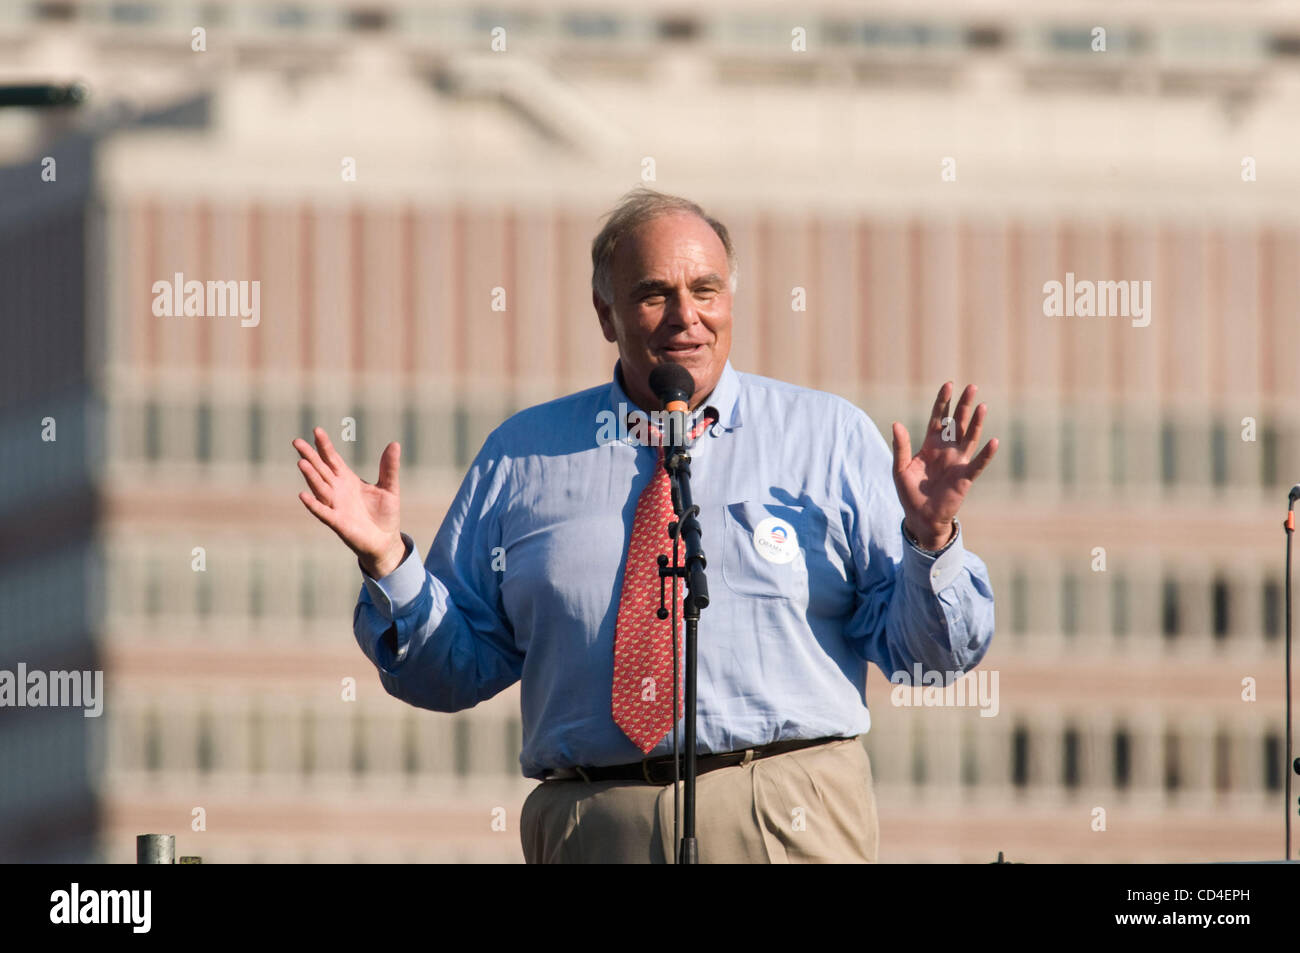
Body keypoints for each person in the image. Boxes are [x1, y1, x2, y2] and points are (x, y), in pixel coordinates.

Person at [292, 188, 999, 863]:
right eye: (654, 293)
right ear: (607, 314)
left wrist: (931, 541)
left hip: (784, 814)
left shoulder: (828, 438)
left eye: (706, 290)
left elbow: (926, 658)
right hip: (591, 824)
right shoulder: (523, 457)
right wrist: (390, 562)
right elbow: (448, 673)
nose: (684, 316)